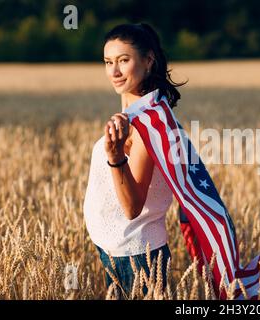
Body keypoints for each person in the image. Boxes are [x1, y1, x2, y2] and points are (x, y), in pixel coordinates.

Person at [83, 22, 186, 298]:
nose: (114, 71)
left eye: (123, 61)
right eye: (108, 62)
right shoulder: (139, 115)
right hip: (118, 250)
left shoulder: (147, 124)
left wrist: (115, 158)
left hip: (137, 256)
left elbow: (132, 207)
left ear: (148, 61)